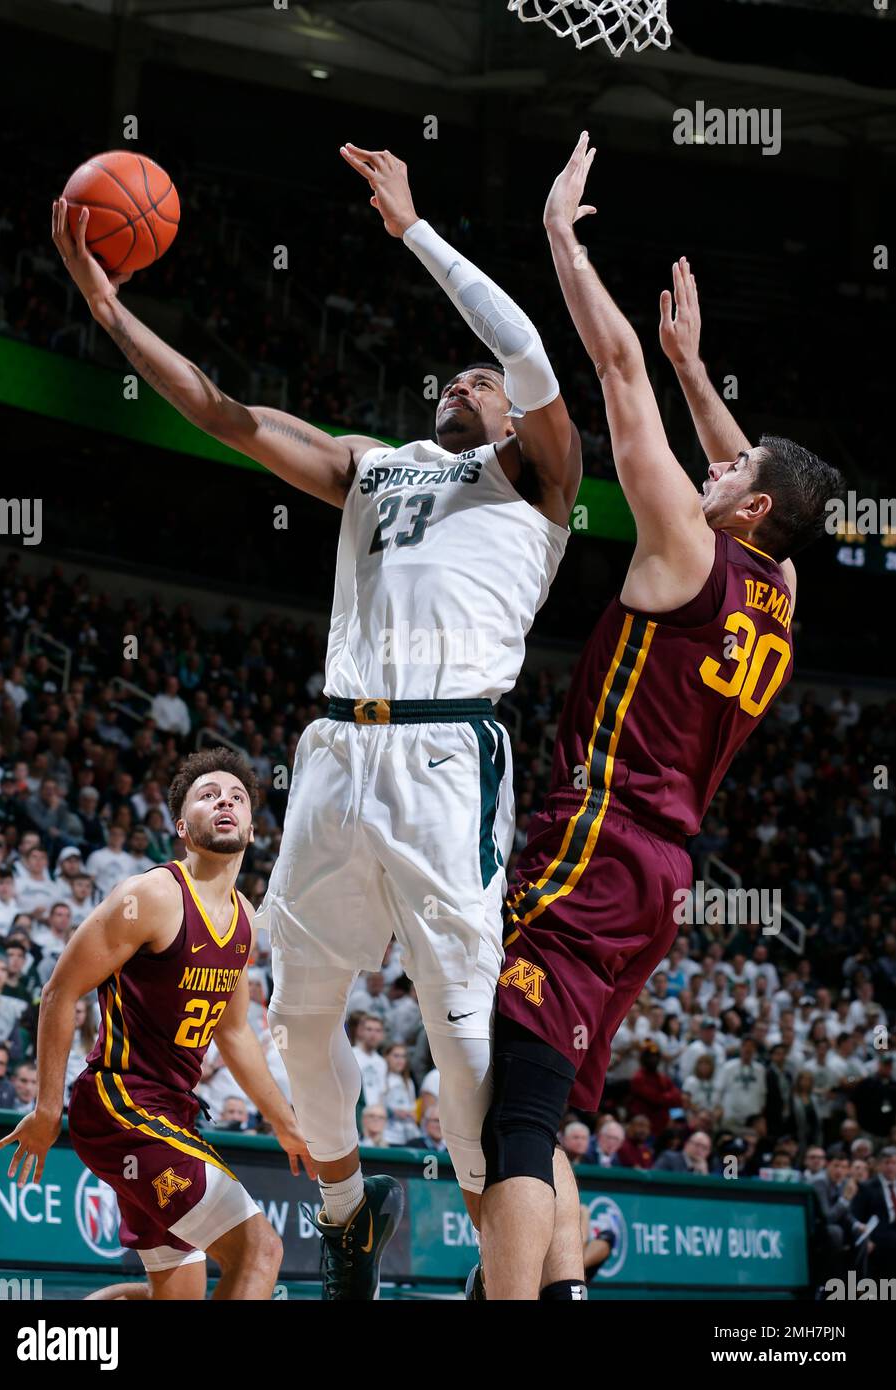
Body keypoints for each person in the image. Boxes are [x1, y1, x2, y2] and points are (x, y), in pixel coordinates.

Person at [52, 138, 582, 1301]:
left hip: (447, 753)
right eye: (450, 377)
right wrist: (105, 305)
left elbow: (531, 352)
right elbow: (225, 414)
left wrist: (413, 231)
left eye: (477, 380)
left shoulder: (543, 477)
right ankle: (345, 1213)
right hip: (336, 747)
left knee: (464, 1052)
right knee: (294, 1010)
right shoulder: (373, 465)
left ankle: (523, 1278)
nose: (463, 380)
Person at [479, 133, 844, 1299]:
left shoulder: (686, 547)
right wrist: (703, 372)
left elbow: (614, 374)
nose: (710, 468)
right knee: (526, 1097)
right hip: (663, 875)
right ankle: (552, 1283)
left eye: (727, 475)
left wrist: (557, 241)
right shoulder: (777, 586)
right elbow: (759, 470)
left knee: (517, 1113)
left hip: (596, 834)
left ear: (743, 511)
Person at [0, 749, 315, 1301]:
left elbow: (233, 1032)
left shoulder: (243, 919)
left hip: (170, 1114)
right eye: (208, 794)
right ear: (181, 826)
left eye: (238, 797)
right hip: (120, 1103)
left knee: (178, 1297)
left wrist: (285, 1122)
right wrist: (49, 1108)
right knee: (260, 1249)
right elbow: (59, 991)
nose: (226, 801)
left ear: (251, 828)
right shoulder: (149, 897)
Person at [851, 1146, 896, 1278]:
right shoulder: (867, 1187)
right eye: (887, 1163)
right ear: (879, 1165)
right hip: (875, 1235)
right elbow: (857, 1216)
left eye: (894, 1163)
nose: (891, 1167)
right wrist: (867, 1239)